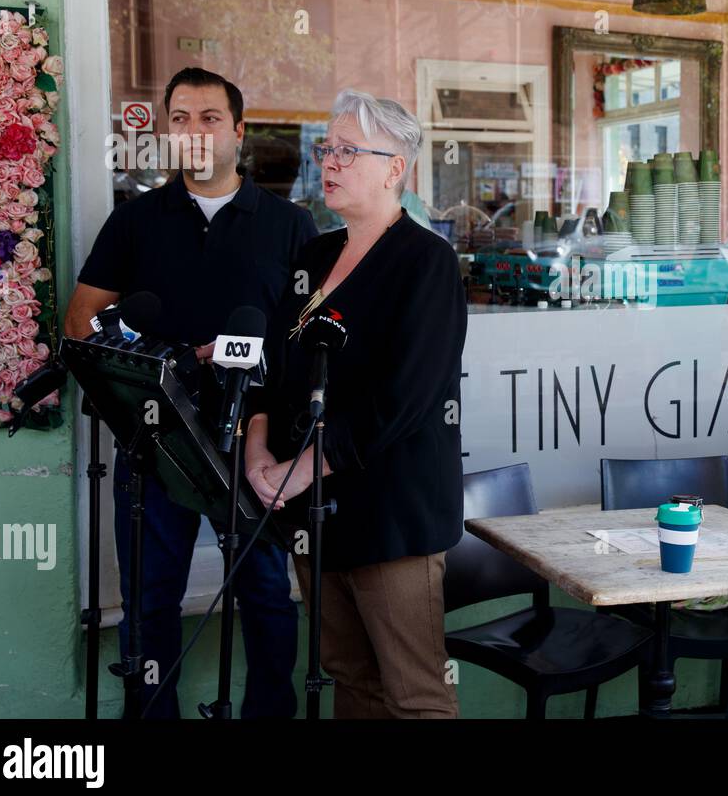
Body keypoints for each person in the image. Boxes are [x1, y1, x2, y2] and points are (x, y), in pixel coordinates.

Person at [65, 67, 316, 718]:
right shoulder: (134, 222)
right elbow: (80, 324)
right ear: (166, 134)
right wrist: (168, 360)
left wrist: (269, 418)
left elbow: (307, 339)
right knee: (150, 600)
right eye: (180, 118)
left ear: (238, 131)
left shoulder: (291, 226)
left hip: (250, 443)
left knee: (264, 590)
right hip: (155, 441)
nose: (195, 131)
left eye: (210, 118)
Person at [245, 90, 466, 719]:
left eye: (348, 151)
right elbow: (274, 367)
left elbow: (406, 401)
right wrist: (261, 449)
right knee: (350, 677)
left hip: (392, 513)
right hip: (313, 513)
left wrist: (302, 469)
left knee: (415, 694)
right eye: (327, 149)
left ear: (396, 168)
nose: (329, 163)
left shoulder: (427, 263)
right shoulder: (313, 255)